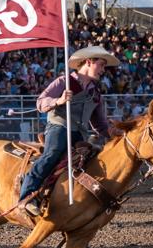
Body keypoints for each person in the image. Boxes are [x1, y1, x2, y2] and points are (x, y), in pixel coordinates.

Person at [20, 46, 117, 216]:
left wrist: (115, 133)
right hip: (59, 126)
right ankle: (27, 196)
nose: (103, 70)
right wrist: (59, 100)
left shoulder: (95, 93)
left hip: (80, 134)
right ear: (88, 62)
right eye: (101, 65)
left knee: (93, 159)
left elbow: (99, 125)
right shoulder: (63, 82)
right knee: (52, 153)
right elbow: (40, 102)